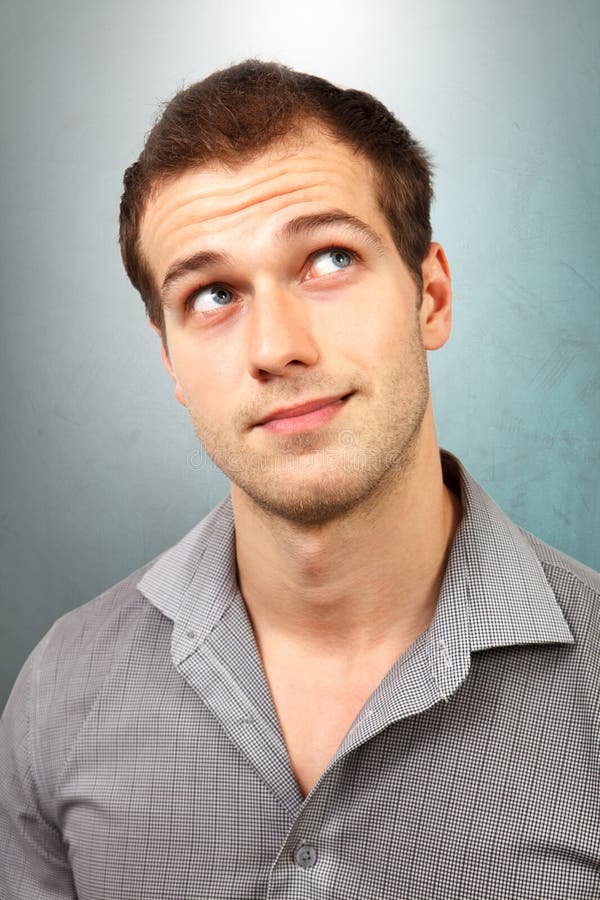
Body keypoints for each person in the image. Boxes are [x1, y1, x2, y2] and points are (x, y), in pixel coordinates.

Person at [0, 59, 598, 900]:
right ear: (171, 361)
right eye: (213, 295)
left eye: (328, 258)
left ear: (430, 296)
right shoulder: (59, 690)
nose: (277, 347)